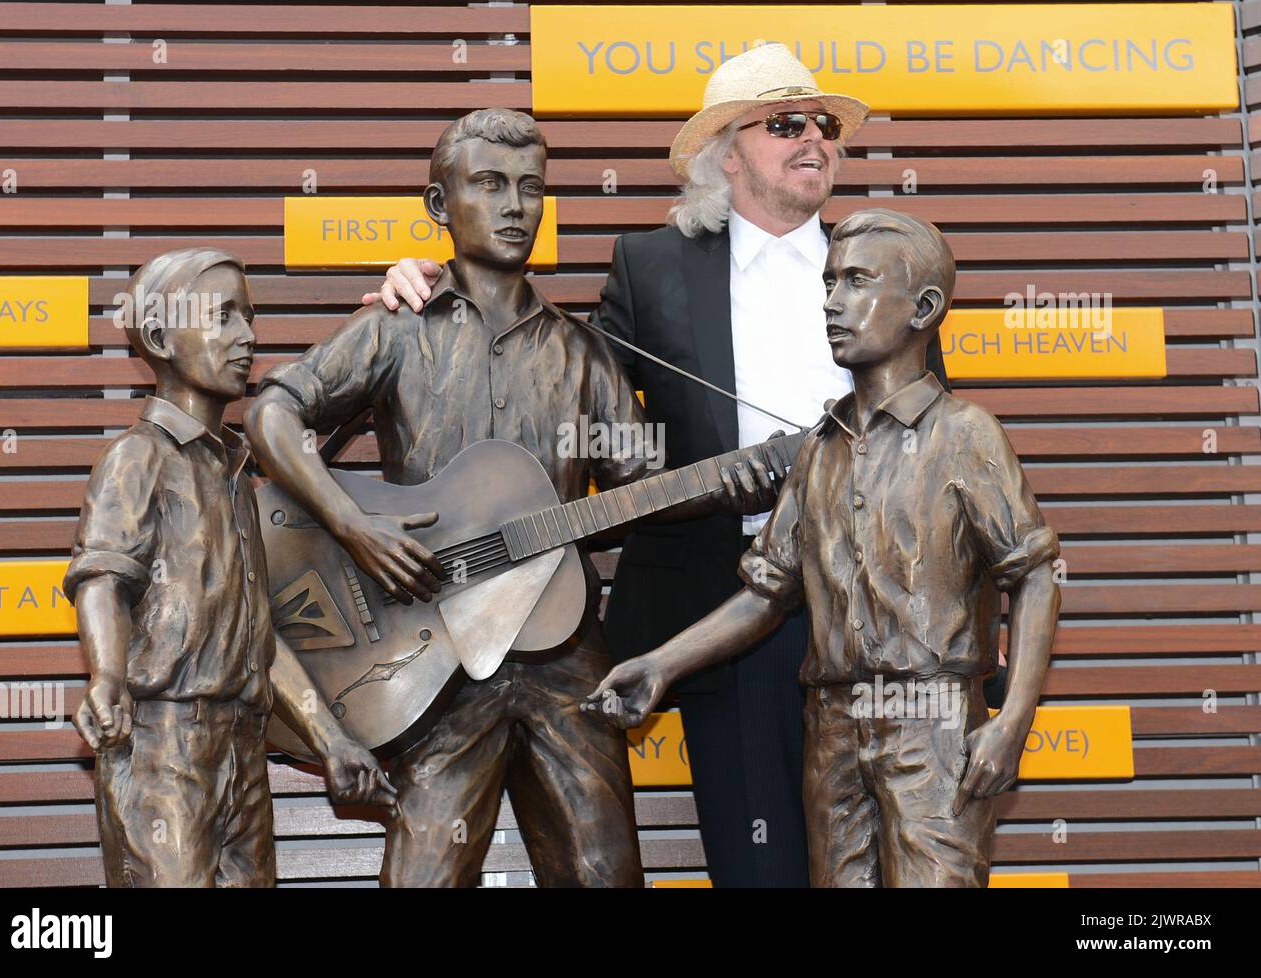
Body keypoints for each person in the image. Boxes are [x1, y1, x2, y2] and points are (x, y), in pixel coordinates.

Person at [366, 43, 950, 887]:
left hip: (888, 617)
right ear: (727, 149)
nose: (815, 138)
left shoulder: (890, 263)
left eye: (824, 124)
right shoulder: (653, 268)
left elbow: (939, 442)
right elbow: (550, 387)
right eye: (786, 123)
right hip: (729, 618)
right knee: (766, 873)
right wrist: (432, 288)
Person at [245, 109, 774, 887]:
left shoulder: (584, 349)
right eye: (488, 184)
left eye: (531, 188)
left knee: (604, 871)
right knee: (422, 877)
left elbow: (638, 488)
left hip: (566, 651)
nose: (515, 205)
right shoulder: (397, 327)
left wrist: (732, 479)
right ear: (438, 205)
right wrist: (354, 527)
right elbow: (270, 413)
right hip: (432, 653)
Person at [588, 210, 1061, 887]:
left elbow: (1035, 572)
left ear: (924, 308)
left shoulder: (965, 435)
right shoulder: (818, 449)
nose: (832, 302)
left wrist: (1013, 720)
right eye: (829, 283)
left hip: (931, 722)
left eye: (857, 283)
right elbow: (765, 594)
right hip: (833, 727)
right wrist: (660, 665)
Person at [67, 247, 396, 887]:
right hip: (164, 746)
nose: (247, 336)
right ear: (160, 337)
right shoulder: (137, 459)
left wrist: (331, 741)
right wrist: (106, 674)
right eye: (222, 318)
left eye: (248, 316)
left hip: (243, 750)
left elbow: (260, 640)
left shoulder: (239, 473)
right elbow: (102, 579)